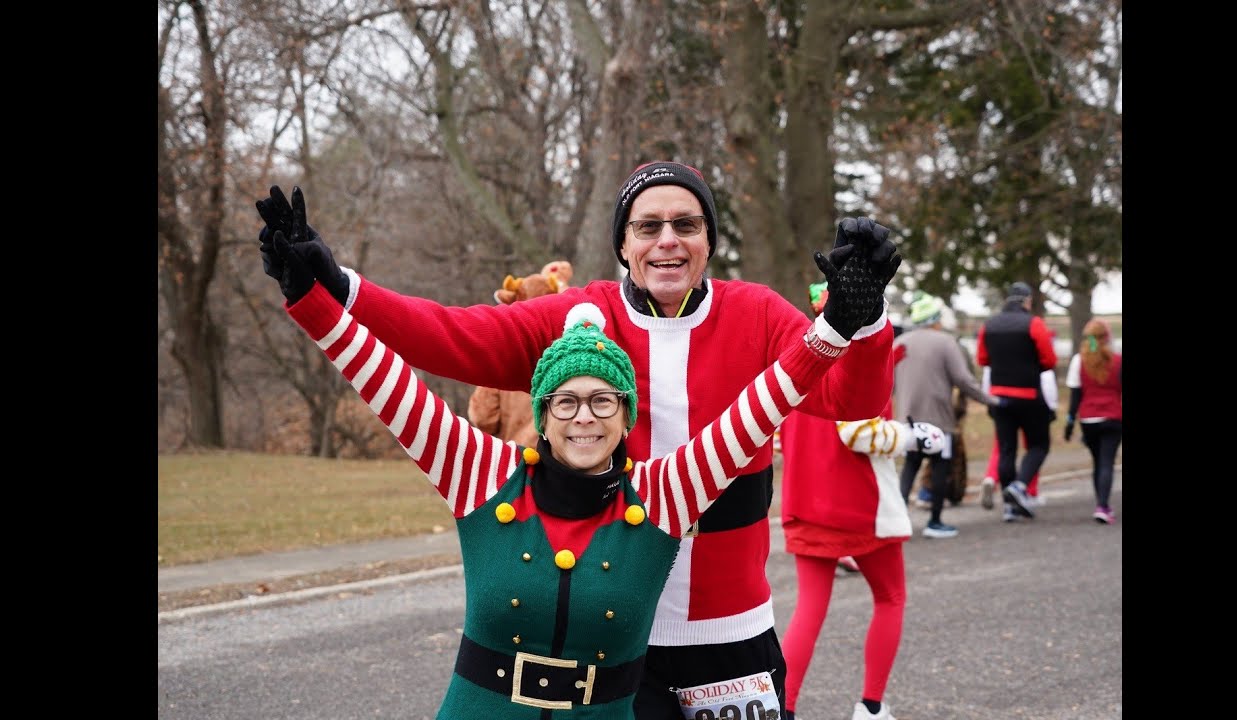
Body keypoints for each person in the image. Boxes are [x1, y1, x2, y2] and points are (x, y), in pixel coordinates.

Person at [254, 165, 902, 718]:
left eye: (687, 225)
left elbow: (849, 398)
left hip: (730, 631)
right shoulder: (576, 319)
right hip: (611, 635)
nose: (668, 241)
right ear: (623, 245)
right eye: (648, 227)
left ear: (709, 240)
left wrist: (862, 320)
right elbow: (449, 336)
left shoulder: (757, 311)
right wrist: (339, 288)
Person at [776, 281, 947, 720]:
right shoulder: (859, 353)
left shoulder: (796, 351)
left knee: (809, 609)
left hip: (805, 496)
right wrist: (913, 437)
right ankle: (870, 706)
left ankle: (784, 708)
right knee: (891, 598)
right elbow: (858, 431)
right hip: (859, 501)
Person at [892, 292, 1001, 538]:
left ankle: (897, 522)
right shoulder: (945, 342)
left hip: (907, 418)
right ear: (935, 319)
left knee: (911, 466)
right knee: (940, 467)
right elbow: (963, 380)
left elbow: (888, 382)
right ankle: (935, 521)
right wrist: (989, 400)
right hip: (939, 420)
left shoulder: (899, 343)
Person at [467, 261, 574, 447]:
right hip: (565, 463)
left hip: (516, 462)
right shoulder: (573, 356)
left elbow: (484, 418)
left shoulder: (503, 357)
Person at [975, 281, 1057, 520]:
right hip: (1029, 394)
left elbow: (982, 359)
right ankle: (1019, 487)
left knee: (1007, 448)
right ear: (1027, 301)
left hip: (999, 396)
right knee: (1039, 445)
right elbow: (1050, 360)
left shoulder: (988, 325)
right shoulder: (1034, 323)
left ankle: (1010, 508)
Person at [977, 366, 1058, 517]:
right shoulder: (1032, 347)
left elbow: (987, 370)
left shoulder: (995, 348)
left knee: (1004, 449)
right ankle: (1025, 489)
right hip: (1028, 399)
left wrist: (989, 400)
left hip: (999, 398)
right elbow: (1047, 373)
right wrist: (1052, 406)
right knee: (1035, 447)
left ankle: (993, 481)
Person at [1063, 318, 1122, 524]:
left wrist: (1070, 423)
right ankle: (1103, 506)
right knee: (1107, 462)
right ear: (1107, 337)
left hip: (1089, 420)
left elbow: (1075, 397)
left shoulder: (1079, 361)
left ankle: (1101, 504)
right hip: (1113, 418)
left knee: (1097, 462)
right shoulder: (1117, 360)